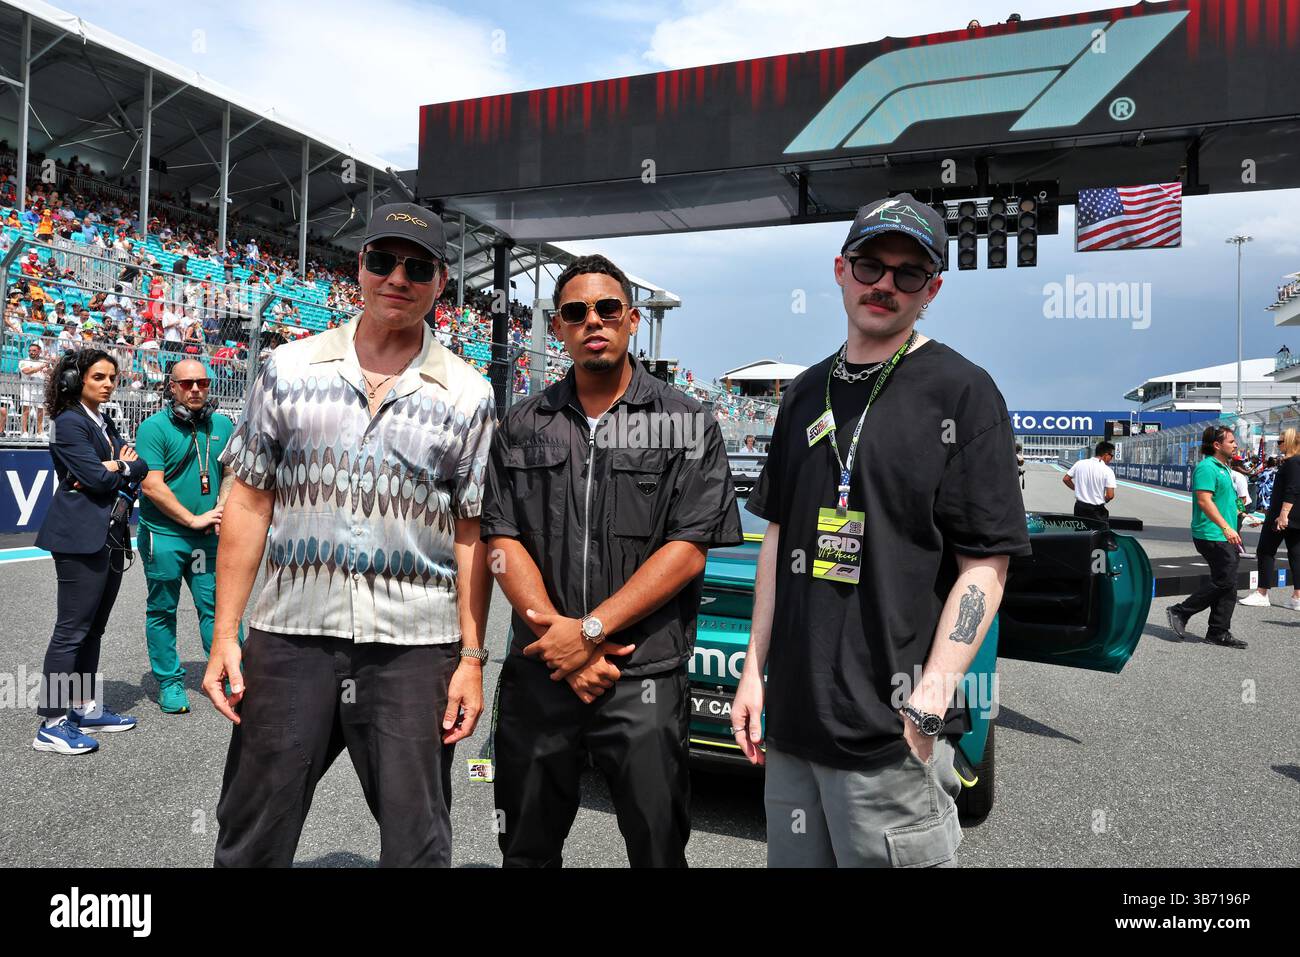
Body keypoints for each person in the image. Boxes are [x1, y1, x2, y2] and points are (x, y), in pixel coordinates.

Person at [731, 193, 1031, 867]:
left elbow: (987, 565)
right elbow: (777, 541)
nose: (885, 285)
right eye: (871, 265)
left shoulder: (962, 392)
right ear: (841, 269)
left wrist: (929, 700)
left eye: (908, 273)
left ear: (933, 290)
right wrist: (753, 672)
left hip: (890, 738)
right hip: (795, 729)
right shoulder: (804, 393)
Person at [202, 203, 494, 867]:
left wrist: (473, 660)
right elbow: (246, 503)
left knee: (417, 841)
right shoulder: (286, 367)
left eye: (417, 266)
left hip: (415, 647)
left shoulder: (470, 394)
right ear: (357, 268)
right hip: (290, 633)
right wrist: (226, 634)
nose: (399, 276)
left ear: (441, 281)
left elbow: (473, 531)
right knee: (250, 831)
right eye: (383, 260)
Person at [481, 253, 742, 867]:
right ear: (558, 330)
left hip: (644, 678)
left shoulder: (685, 422)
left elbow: (688, 548)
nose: (591, 320)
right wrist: (562, 641)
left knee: (657, 850)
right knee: (524, 849)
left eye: (606, 309)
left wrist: (591, 632)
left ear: (629, 320)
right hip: (542, 672)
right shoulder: (522, 425)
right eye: (575, 312)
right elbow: (501, 539)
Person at [32, 349, 149, 754]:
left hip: (110, 534)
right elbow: (98, 477)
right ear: (75, 380)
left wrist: (119, 467)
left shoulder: (103, 421)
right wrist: (116, 467)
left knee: (94, 629)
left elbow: (141, 467)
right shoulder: (69, 423)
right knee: (71, 631)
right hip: (78, 537)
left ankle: (82, 706)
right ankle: (51, 722)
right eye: (99, 376)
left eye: (113, 377)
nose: (108, 383)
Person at [134, 359, 240, 714]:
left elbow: (230, 472)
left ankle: (228, 676)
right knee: (163, 609)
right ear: (172, 387)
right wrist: (193, 519)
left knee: (216, 609)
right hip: (164, 535)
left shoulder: (223, 425)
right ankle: (170, 683)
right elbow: (152, 486)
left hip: (207, 535)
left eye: (203, 382)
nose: (196, 389)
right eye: (187, 383)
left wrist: (220, 509)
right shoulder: (153, 428)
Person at [1166, 426, 1247, 648]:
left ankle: (1218, 631)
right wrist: (1225, 527)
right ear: (1217, 445)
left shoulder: (1224, 468)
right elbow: (1204, 501)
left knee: (1229, 584)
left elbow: (1226, 500)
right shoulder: (1206, 467)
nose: (1235, 444)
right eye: (1231, 441)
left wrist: (1242, 515)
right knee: (1225, 580)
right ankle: (1180, 611)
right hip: (1212, 533)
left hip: (1227, 534)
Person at [1239, 430, 1300, 610]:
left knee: (1265, 551)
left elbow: (1291, 490)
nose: (1279, 445)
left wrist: (1283, 514)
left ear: (1288, 442)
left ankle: (1262, 592)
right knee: (1296, 554)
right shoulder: (1294, 462)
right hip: (1293, 516)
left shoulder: (1292, 462)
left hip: (1283, 516)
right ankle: (1297, 596)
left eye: (1281, 441)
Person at [1063, 441, 1117, 524]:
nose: (1111, 458)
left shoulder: (1079, 463)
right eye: (1111, 455)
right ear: (1106, 455)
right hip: (1096, 510)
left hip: (1079, 508)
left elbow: (1066, 479)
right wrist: (1104, 500)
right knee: (1099, 535)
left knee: (1080, 535)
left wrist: (1076, 489)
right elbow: (1110, 495)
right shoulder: (1107, 470)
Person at [19, 342, 51, 437]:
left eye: (34, 351)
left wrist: (48, 370)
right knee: (26, 410)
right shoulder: (23, 361)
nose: (31, 352)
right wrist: (41, 367)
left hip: (40, 388)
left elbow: (51, 373)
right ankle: (24, 432)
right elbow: (27, 371)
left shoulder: (44, 362)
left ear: (39, 351)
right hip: (26, 388)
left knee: (40, 410)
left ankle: (39, 432)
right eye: (30, 351)